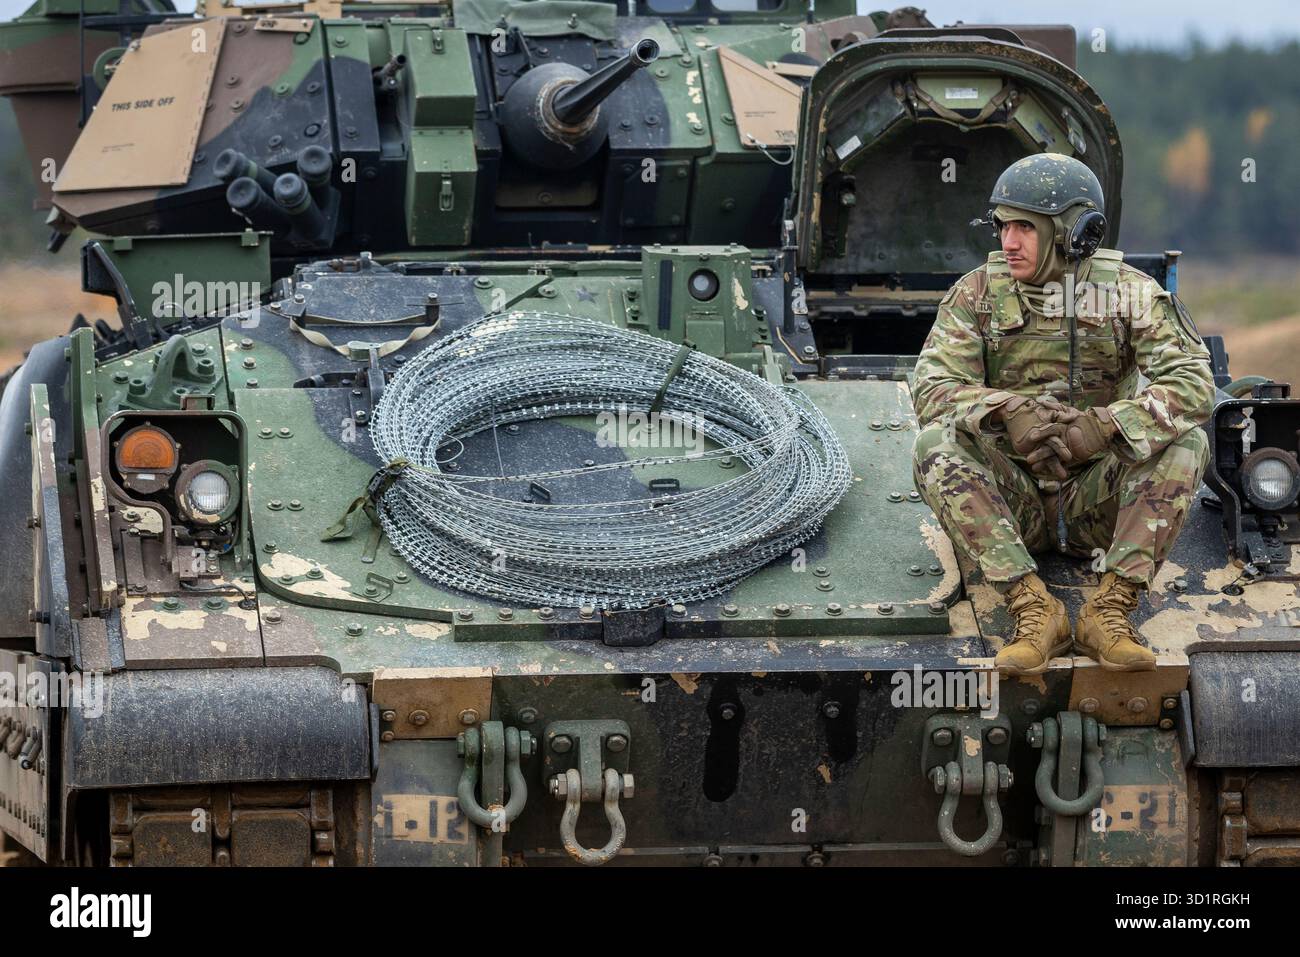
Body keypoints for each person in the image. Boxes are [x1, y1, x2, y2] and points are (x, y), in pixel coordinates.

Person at [911, 153, 1215, 674]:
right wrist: (1003, 410)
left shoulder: (1130, 293)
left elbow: (1193, 385)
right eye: (1002, 225)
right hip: (1015, 501)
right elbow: (932, 390)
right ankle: (1033, 609)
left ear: (1074, 231)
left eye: (1025, 226)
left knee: (1187, 444)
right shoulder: (976, 293)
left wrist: (1106, 427)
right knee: (934, 447)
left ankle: (1110, 611)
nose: (1008, 241)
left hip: (1097, 500)